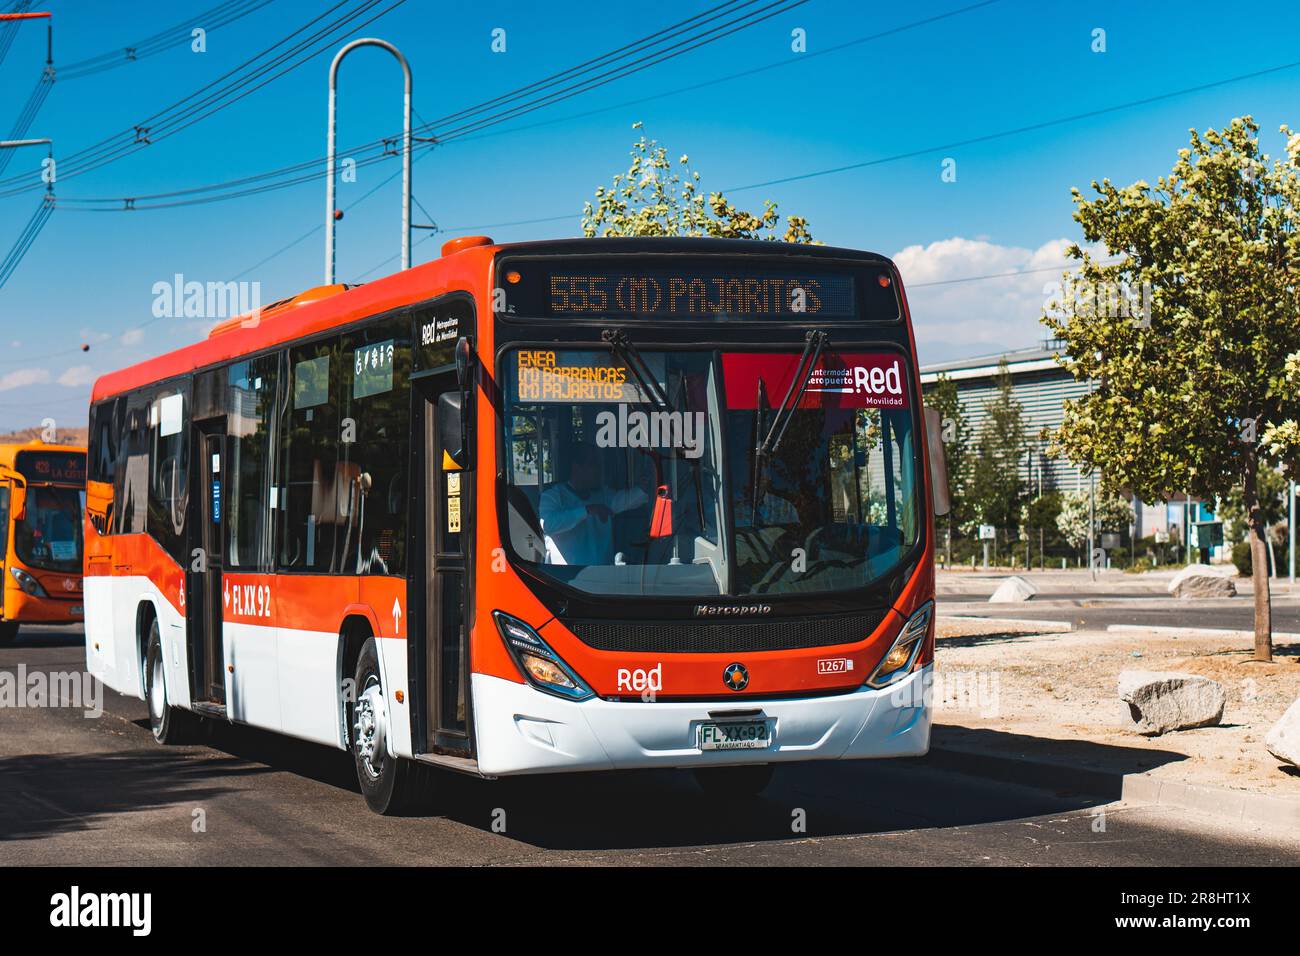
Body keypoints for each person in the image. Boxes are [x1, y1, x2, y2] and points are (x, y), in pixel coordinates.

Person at [539, 443, 647, 565]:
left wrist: (647, 487)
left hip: (602, 576)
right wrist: (587, 510)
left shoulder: (603, 496)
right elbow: (548, 525)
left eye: (600, 465)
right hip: (565, 578)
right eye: (593, 464)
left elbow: (628, 500)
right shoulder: (553, 496)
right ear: (577, 467)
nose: (599, 470)